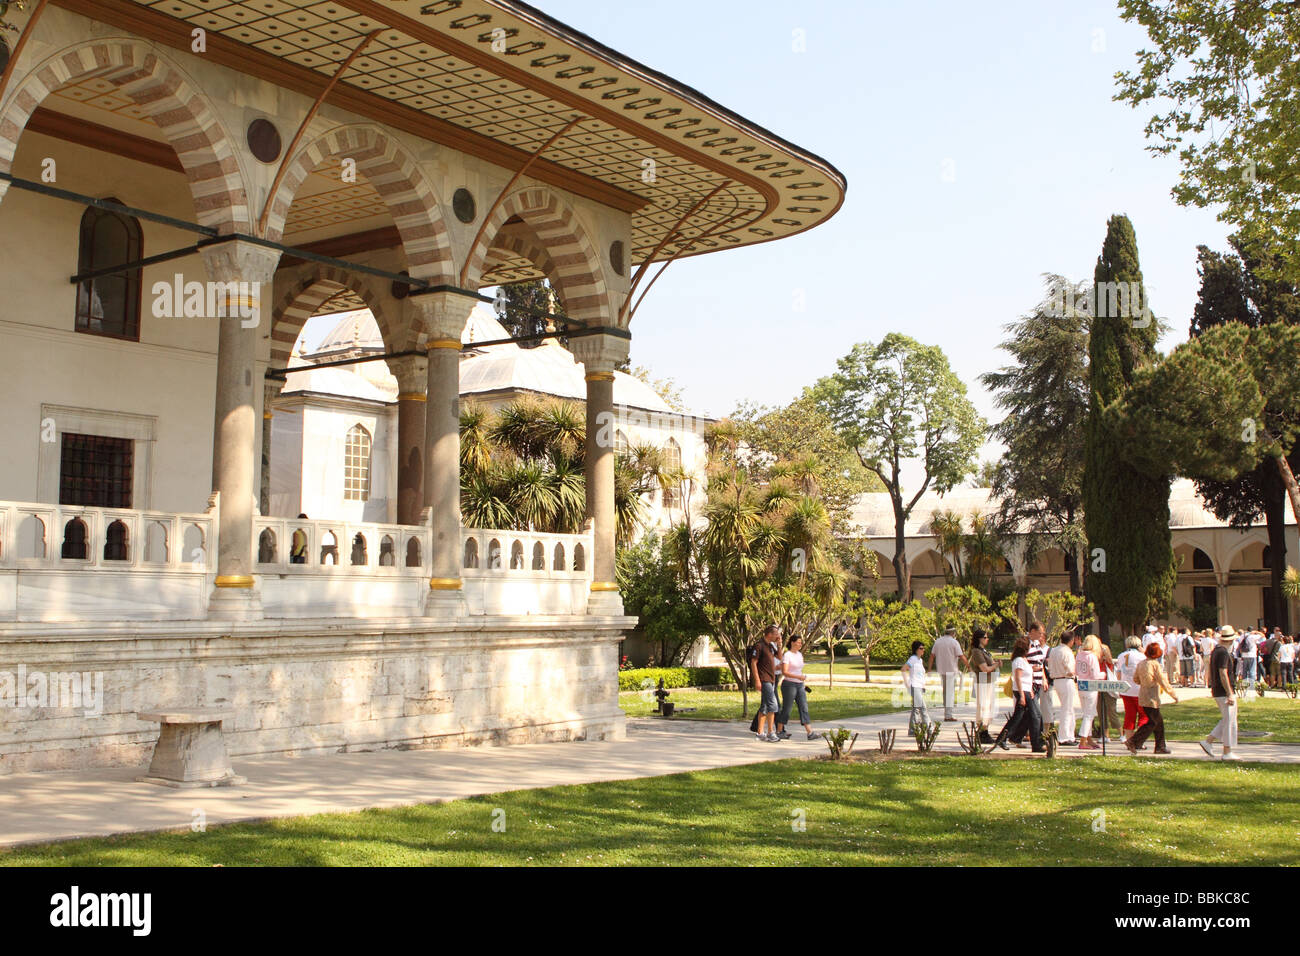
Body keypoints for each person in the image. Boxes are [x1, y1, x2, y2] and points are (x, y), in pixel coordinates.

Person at [1126, 642, 1180, 755]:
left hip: (1143, 696)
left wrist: (1144, 682)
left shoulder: (1141, 663)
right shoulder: (1155, 665)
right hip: (1152, 698)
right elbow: (1163, 681)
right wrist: (1173, 694)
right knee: (1153, 723)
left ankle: (1160, 747)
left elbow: (1136, 679)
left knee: (1158, 723)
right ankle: (1133, 741)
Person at [1199, 625, 1240, 761]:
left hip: (1218, 690)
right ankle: (1226, 751)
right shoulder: (1222, 652)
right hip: (1223, 691)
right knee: (1229, 721)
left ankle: (1209, 741)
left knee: (1228, 719)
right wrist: (1229, 692)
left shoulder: (1216, 650)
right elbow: (1223, 673)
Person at [999, 636, 1043, 753]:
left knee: (1020, 716)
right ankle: (1036, 744)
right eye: (1029, 645)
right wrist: (1022, 695)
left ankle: (1007, 737)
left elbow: (1026, 676)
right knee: (1035, 716)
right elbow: (1018, 678)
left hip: (1027, 690)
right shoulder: (1018, 660)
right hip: (1022, 691)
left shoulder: (1024, 659)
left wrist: (1031, 688)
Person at [1010, 622, 1049, 745]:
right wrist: (1033, 671)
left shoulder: (1037, 644)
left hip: (1037, 682)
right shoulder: (1026, 644)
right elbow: (1023, 665)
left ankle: (1015, 736)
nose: (1041, 635)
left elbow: (1040, 663)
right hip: (1029, 684)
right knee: (1035, 714)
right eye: (1039, 632)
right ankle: (1037, 742)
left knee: (1027, 713)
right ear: (1032, 631)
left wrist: (1043, 678)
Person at [776, 634, 816, 740]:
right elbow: (785, 672)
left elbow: (798, 669)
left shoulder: (799, 654)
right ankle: (779, 731)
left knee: (804, 707)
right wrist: (798, 677)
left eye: (801, 642)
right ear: (792, 643)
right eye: (798, 642)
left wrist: (801, 678)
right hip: (789, 684)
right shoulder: (787, 655)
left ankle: (810, 732)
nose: (800, 644)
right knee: (787, 709)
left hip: (799, 685)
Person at [748, 625, 783, 742]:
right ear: (769, 634)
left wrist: (779, 644)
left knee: (764, 706)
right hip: (764, 679)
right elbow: (753, 663)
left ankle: (759, 733)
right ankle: (770, 732)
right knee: (773, 705)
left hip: (771, 679)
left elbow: (779, 657)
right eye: (776, 634)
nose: (778, 636)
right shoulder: (759, 645)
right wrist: (757, 680)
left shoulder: (770, 646)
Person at [928, 626, 967, 721]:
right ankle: (948, 715)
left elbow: (932, 656)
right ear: (953, 633)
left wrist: (929, 668)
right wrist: (969, 666)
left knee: (946, 692)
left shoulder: (938, 641)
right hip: (951, 670)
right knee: (950, 693)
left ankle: (947, 713)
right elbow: (961, 656)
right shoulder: (954, 642)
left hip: (942, 670)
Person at [1115, 636, 1148, 746]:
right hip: (1139, 689)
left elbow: (1118, 673)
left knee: (1129, 716)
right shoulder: (1142, 656)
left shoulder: (1121, 656)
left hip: (1126, 689)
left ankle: (1130, 741)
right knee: (1143, 716)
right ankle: (1139, 741)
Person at [1046, 632, 1078, 745]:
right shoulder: (1067, 652)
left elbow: (1049, 667)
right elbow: (1069, 669)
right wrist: (1075, 673)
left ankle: (1070, 734)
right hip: (1066, 679)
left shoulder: (1054, 650)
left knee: (1068, 708)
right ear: (1071, 640)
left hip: (1057, 680)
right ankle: (1064, 737)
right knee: (1067, 709)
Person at [968, 628, 999, 744]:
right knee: (983, 707)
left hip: (989, 682)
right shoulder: (976, 651)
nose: (987, 639)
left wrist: (994, 664)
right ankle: (982, 731)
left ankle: (985, 729)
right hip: (982, 682)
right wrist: (995, 665)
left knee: (989, 707)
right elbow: (984, 669)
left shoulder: (984, 651)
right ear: (979, 639)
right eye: (985, 637)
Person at [1075, 634, 1103, 750]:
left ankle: (1089, 738)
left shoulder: (1079, 654)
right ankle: (1083, 741)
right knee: (1089, 714)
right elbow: (1095, 675)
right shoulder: (1092, 657)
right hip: (1091, 687)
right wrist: (1104, 674)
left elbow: (1076, 670)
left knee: (1087, 712)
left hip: (1081, 685)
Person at [903, 640, 931, 735]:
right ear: (916, 650)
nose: (923, 650)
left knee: (916, 708)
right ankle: (929, 728)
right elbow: (904, 669)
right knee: (922, 707)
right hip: (914, 686)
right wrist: (907, 682)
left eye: (923, 648)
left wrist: (923, 685)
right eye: (921, 648)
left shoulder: (920, 660)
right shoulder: (913, 659)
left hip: (919, 686)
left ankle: (912, 730)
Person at [1097, 643, 1121, 741]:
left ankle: (1121, 733)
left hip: (1109, 688)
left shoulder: (1109, 663)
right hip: (1099, 687)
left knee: (1112, 711)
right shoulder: (1096, 662)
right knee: (1100, 711)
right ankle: (1105, 735)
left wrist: (1104, 650)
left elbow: (1110, 660)